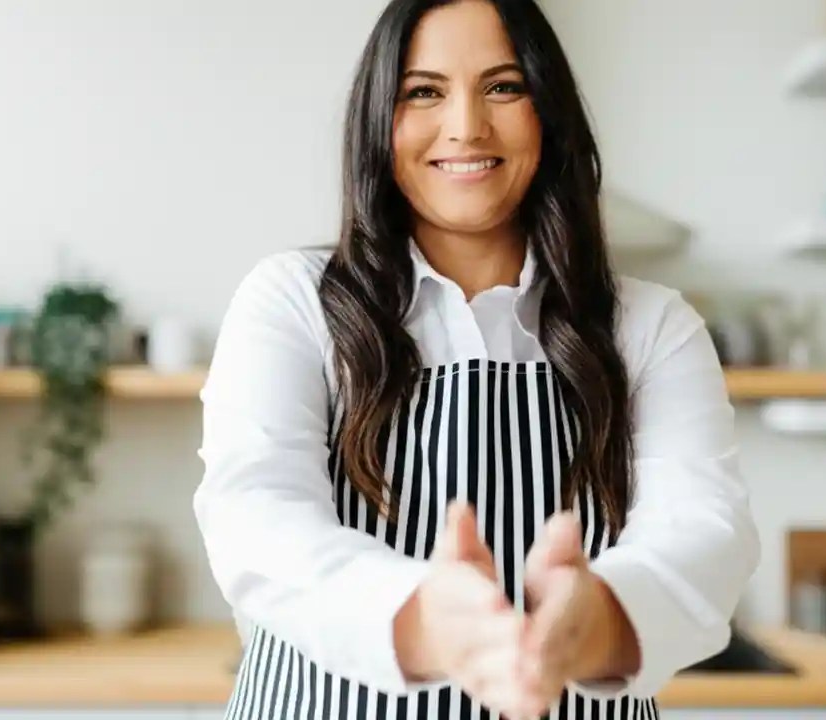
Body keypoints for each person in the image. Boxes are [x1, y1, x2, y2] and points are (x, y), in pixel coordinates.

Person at [193, 0, 760, 717]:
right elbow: (256, 513)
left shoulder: (650, 326)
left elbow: (705, 529)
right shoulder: (294, 301)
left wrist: (599, 619)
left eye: (504, 86)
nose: (465, 125)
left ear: (548, 113)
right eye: (423, 91)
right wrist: (420, 620)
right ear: (378, 120)